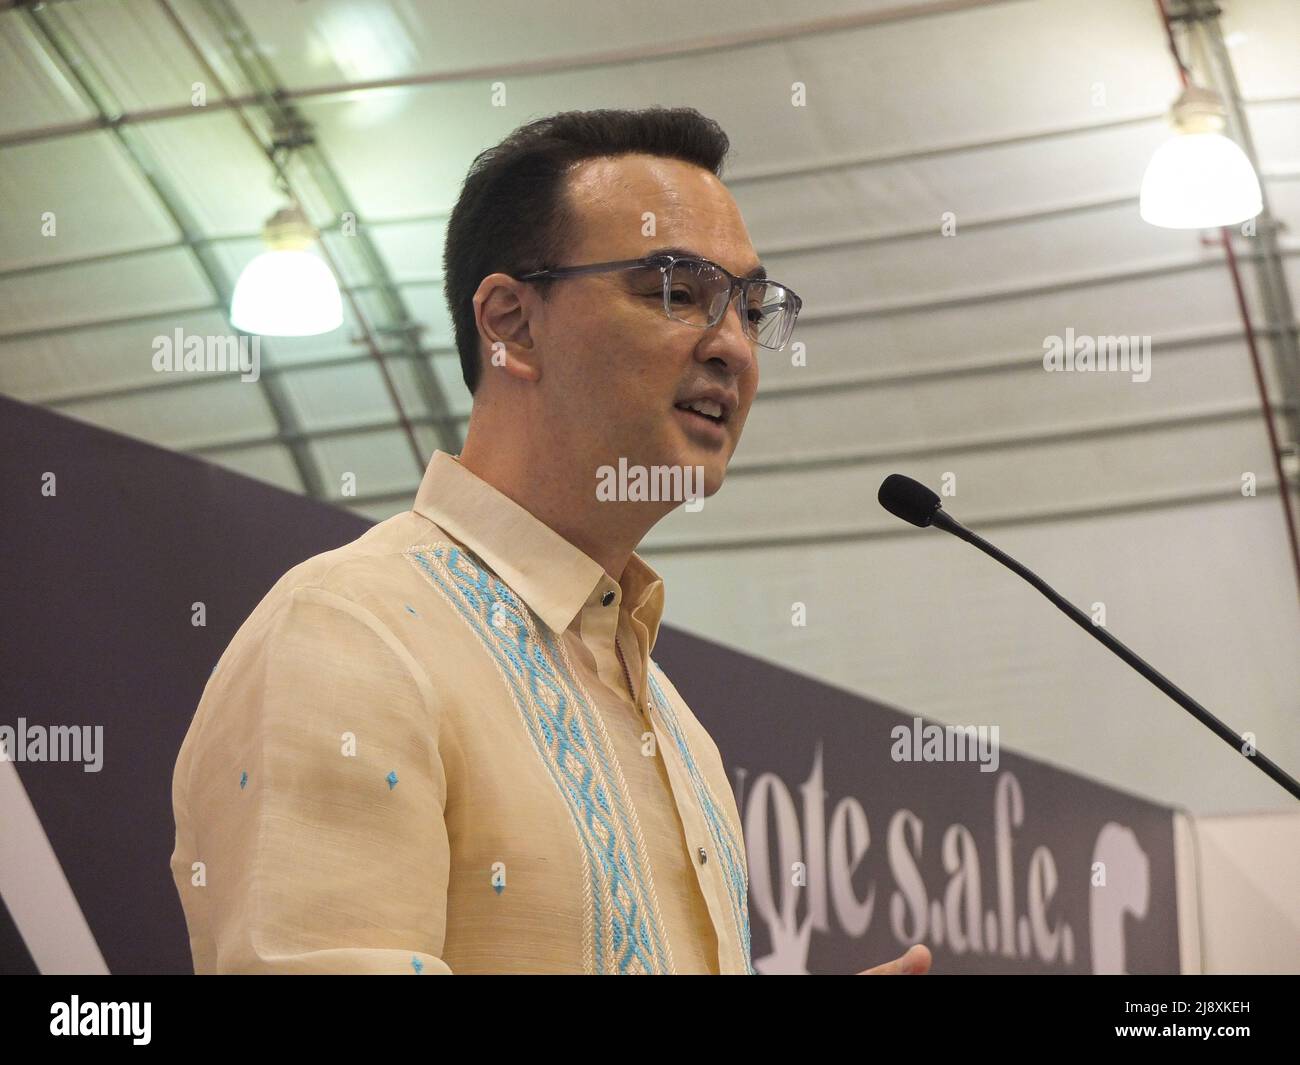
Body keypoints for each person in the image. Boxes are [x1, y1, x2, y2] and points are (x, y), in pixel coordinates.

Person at [169, 105, 930, 976]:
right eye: (677, 292)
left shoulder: (680, 730)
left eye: (751, 309)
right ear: (510, 325)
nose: (733, 348)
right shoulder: (346, 634)